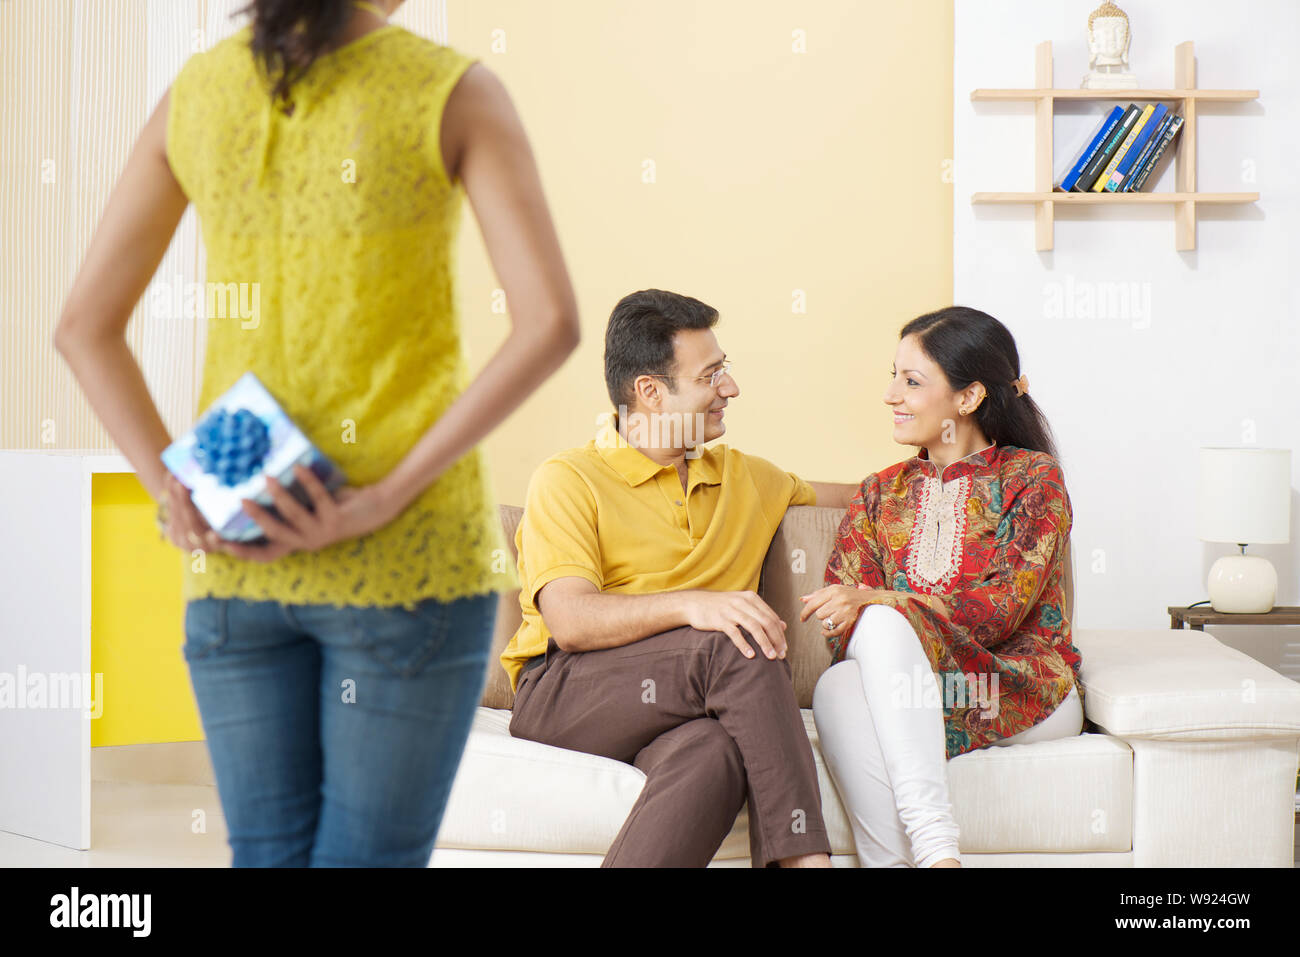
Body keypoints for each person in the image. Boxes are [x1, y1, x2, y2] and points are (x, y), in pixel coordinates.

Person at [52, 0, 580, 866]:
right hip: (406, 566)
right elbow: (549, 320)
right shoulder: (453, 90)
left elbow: (83, 326)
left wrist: (168, 487)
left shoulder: (200, 91)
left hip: (237, 557)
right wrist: (378, 499)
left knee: (266, 855)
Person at [503, 288, 858, 867]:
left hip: (686, 707)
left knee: (716, 754)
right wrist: (694, 605)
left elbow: (870, 496)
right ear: (650, 392)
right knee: (737, 638)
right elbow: (569, 620)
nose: (731, 389)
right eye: (710, 375)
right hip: (568, 692)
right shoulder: (569, 478)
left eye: (726, 371)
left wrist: (978, 448)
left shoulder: (746, 477)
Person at [802, 306, 1084, 868]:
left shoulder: (1033, 479)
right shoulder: (878, 493)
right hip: (912, 692)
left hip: (1013, 687)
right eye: (893, 376)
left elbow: (999, 611)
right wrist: (875, 611)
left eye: (911, 381)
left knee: (881, 617)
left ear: (969, 396)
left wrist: (882, 602)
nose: (890, 395)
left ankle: (936, 849)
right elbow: (841, 623)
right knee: (836, 686)